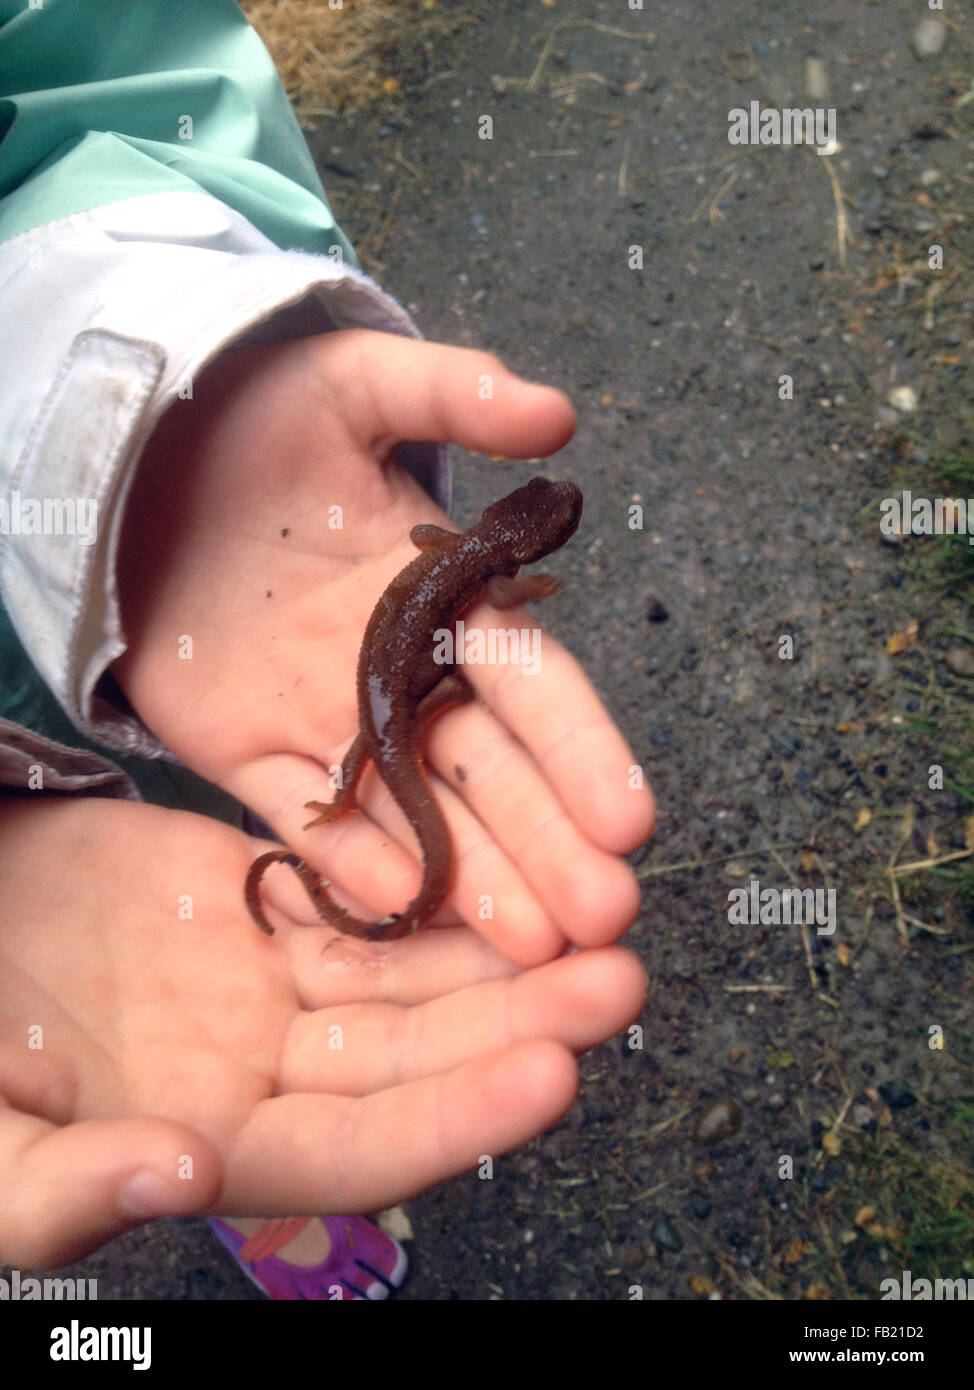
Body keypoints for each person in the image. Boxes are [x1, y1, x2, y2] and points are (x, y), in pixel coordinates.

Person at [0, 0, 654, 1298]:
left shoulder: (465, 570)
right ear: (514, 543)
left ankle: (327, 857)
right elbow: (460, 579)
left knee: (315, 751)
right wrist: (502, 602)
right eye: (534, 542)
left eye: (529, 544)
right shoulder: (481, 569)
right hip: (366, 705)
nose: (526, 545)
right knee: (360, 742)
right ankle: (339, 873)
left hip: (351, 701)